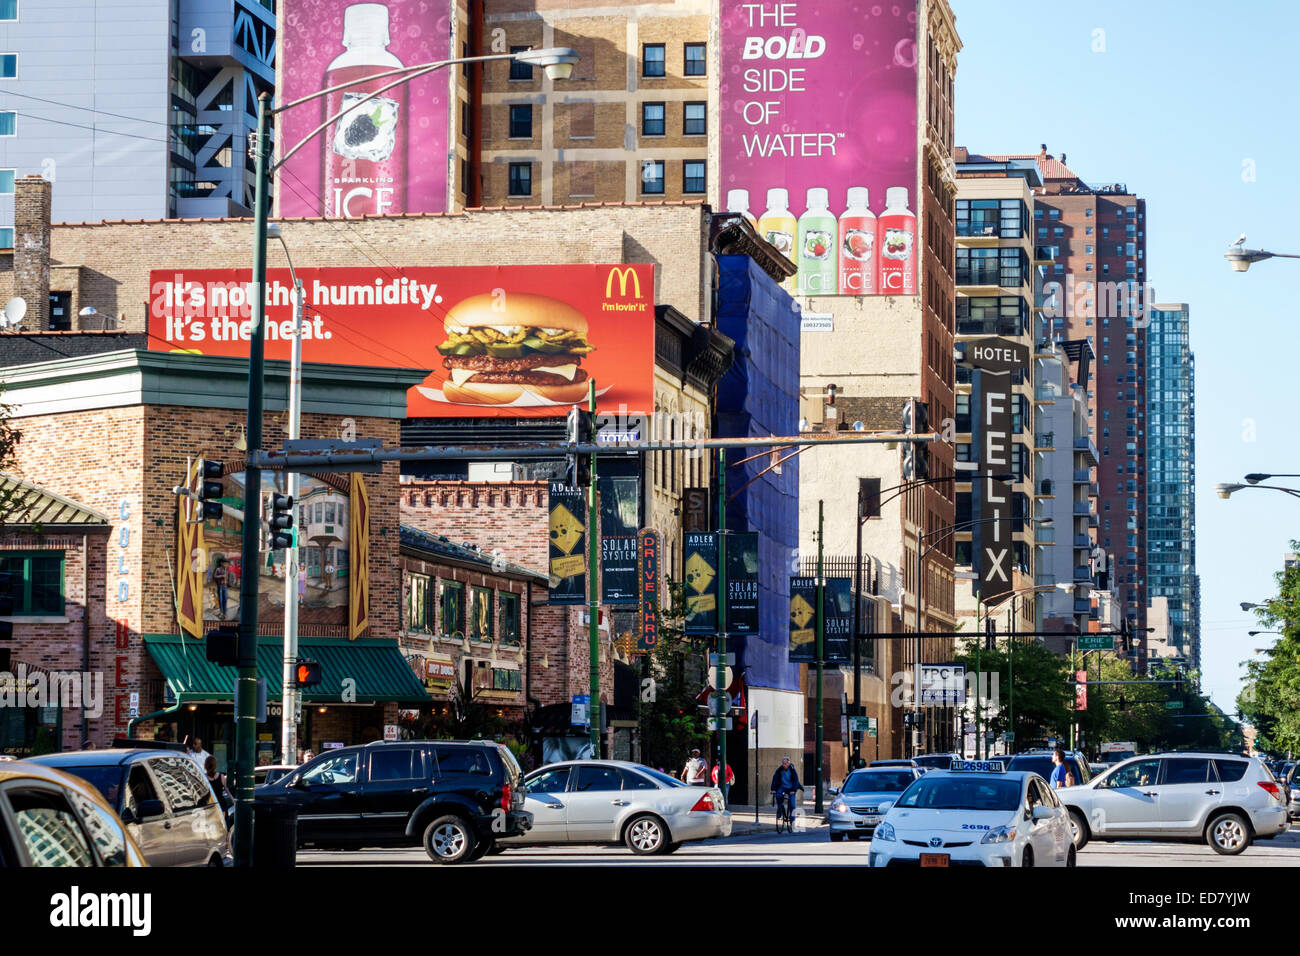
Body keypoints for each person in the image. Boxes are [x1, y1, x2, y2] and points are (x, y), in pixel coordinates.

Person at [770, 756, 802, 821]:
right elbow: (775, 779)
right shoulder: (779, 770)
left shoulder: (792, 770)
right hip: (783, 787)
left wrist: (793, 790)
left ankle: (792, 821)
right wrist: (773, 789)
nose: (784, 765)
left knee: (792, 805)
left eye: (785, 763)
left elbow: (796, 781)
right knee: (778, 795)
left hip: (791, 788)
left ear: (788, 763)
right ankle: (780, 810)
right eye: (783, 763)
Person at [204, 755, 233, 821]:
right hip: (221, 804)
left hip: (210, 805)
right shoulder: (221, 776)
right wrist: (232, 799)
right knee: (222, 823)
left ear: (206, 765)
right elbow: (227, 790)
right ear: (215, 765)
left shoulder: (204, 777)